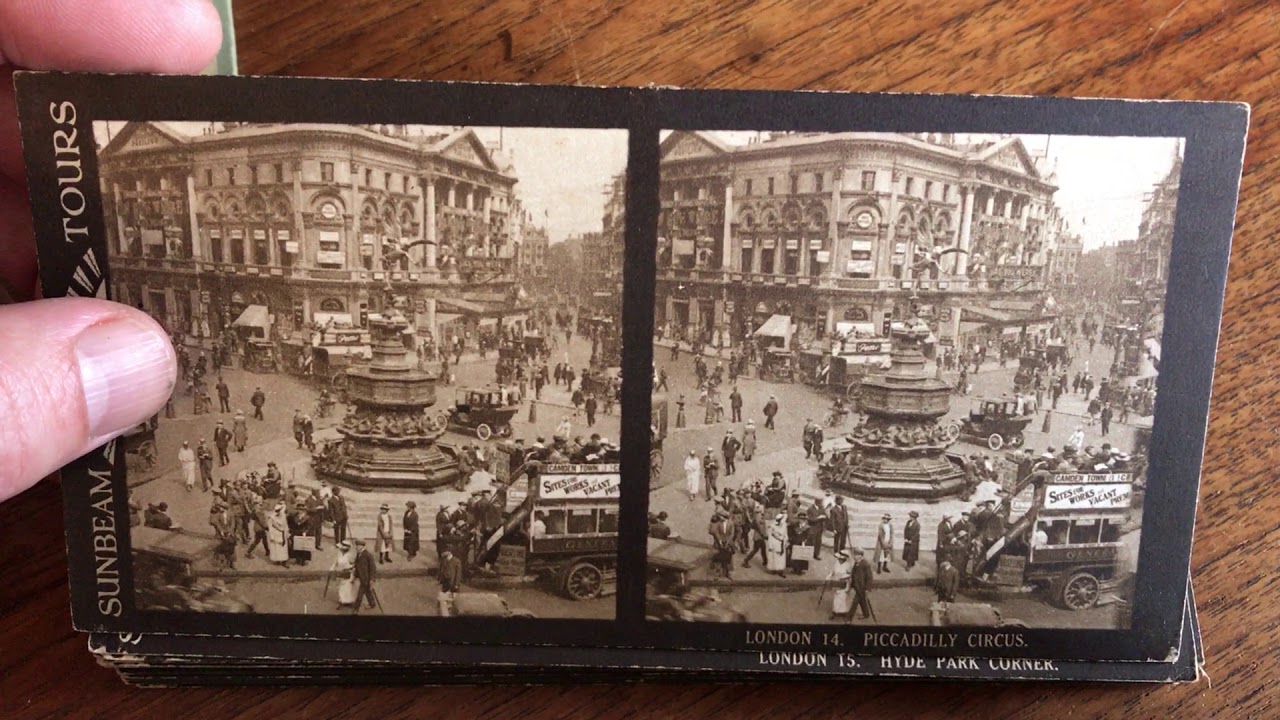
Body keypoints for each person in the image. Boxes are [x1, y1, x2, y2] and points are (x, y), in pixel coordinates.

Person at [352, 539, 378, 613]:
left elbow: (373, 568)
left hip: (366, 579)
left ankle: (356, 609)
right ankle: (372, 604)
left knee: (360, 594)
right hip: (361, 577)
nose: (356, 547)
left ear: (362, 546)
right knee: (368, 592)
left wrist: (372, 580)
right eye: (356, 545)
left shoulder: (368, 555)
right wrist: (355, 573)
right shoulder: (358, 553)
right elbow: (357, 564)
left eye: (357, 545)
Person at [828, 550, 855, 620]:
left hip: (844, 583)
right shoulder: (836, 563)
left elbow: (850, 574)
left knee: (843, 597)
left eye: (841, 558)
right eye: (839, 558)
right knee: (836, 597)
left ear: (844, 558)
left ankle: (843, 612)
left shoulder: (848, 565)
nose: (839, 559)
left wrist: (844, 576)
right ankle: (835, 611)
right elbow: (832, 571)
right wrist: (829, 576)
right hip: (836, 582)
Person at [437, 548, 464, 616]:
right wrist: (440, 579)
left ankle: (457, 611)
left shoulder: (456, 561)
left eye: (444, 552)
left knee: (454, 597)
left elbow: (458, 574)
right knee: (444, 596)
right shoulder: (444, 560)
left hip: (453, 582)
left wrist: (456, 584)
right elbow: (441, 570)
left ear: (449, 552)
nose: (442, 553)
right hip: (445, 582)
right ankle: (446, 610)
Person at [849, 548, 874, 620]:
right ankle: (866, 614)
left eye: (855, 555)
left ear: (860, 555)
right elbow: (854, 573)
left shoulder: (865, 564)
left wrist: (867, 588)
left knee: (855, 602)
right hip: (857, 585)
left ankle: (849, 618)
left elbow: (869, 577)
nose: (854, 556)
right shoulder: (857, 562)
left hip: (862, 587)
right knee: (862, 601)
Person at [331, 541, 357, 608]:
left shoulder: (350, 555)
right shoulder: (339, 554)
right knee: (341, 587)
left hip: (348, 573)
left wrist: (351, 569)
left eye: (342, 548)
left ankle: (347, 601)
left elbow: (354, 565)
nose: (340, 549)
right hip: (340, 572)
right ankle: (342, 600)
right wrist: (331, 569)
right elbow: (335, 562)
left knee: (347, 588)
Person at [267, 502, 290, 567]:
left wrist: (287, 532)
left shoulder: (283, 516)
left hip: (282, 534)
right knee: (276, 548)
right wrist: (272, 536)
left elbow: (285, 525)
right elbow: (270, 527)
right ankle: (277, 560)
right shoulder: (271, 517)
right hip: (276, 534)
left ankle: (284, 561)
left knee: (283, 548)